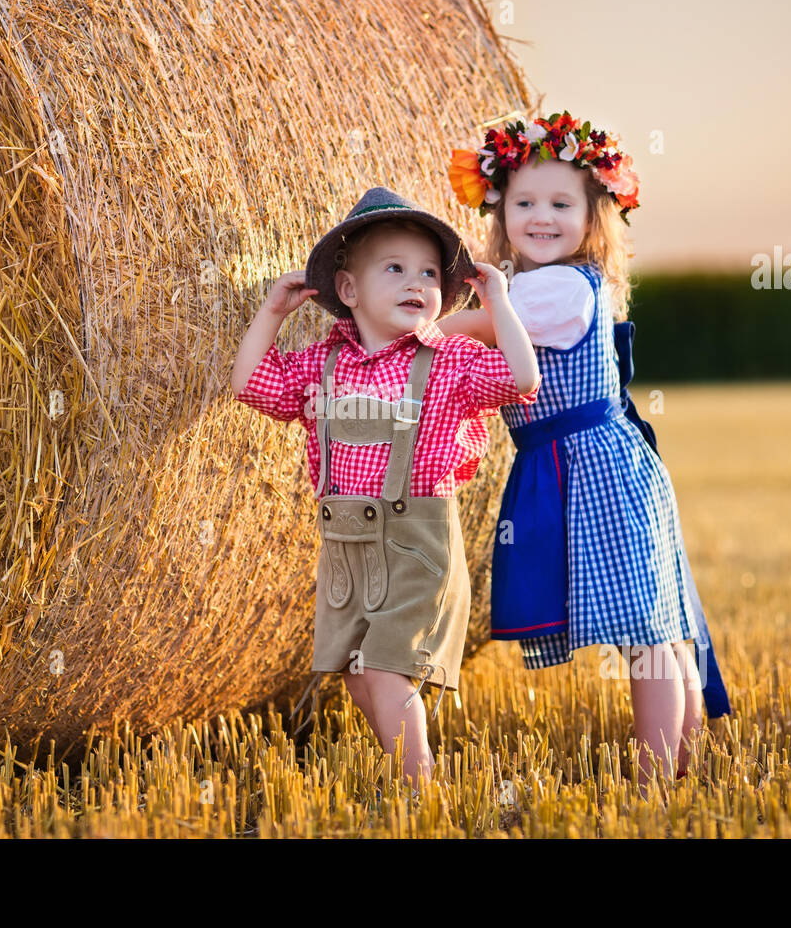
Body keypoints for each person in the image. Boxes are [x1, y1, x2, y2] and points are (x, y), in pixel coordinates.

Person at [438, 112, 729, 797]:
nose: (542, 217)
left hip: (595, 469)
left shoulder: (557, 287)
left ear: (593, 216)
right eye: (525, 203)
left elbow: (458, 331)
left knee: (649, 636)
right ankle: (680, 768)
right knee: (657, 629)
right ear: (501, 210)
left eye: (561, 204)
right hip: (595, 463)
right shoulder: (547, 282)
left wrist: (400, 320)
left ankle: (659, 777)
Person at [230, 186, 539, 794]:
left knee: (390, 673)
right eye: (394, 268)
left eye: (428, 272)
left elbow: (523, 376)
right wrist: (271, 314)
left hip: (419, 545)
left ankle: (419, 793)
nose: (415, 283)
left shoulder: (448, 362)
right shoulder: (321, 364)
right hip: (346, 546)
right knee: (353, 670)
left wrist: (497, 300)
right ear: (348, 290)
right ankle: (410, 779)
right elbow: (249, 385)